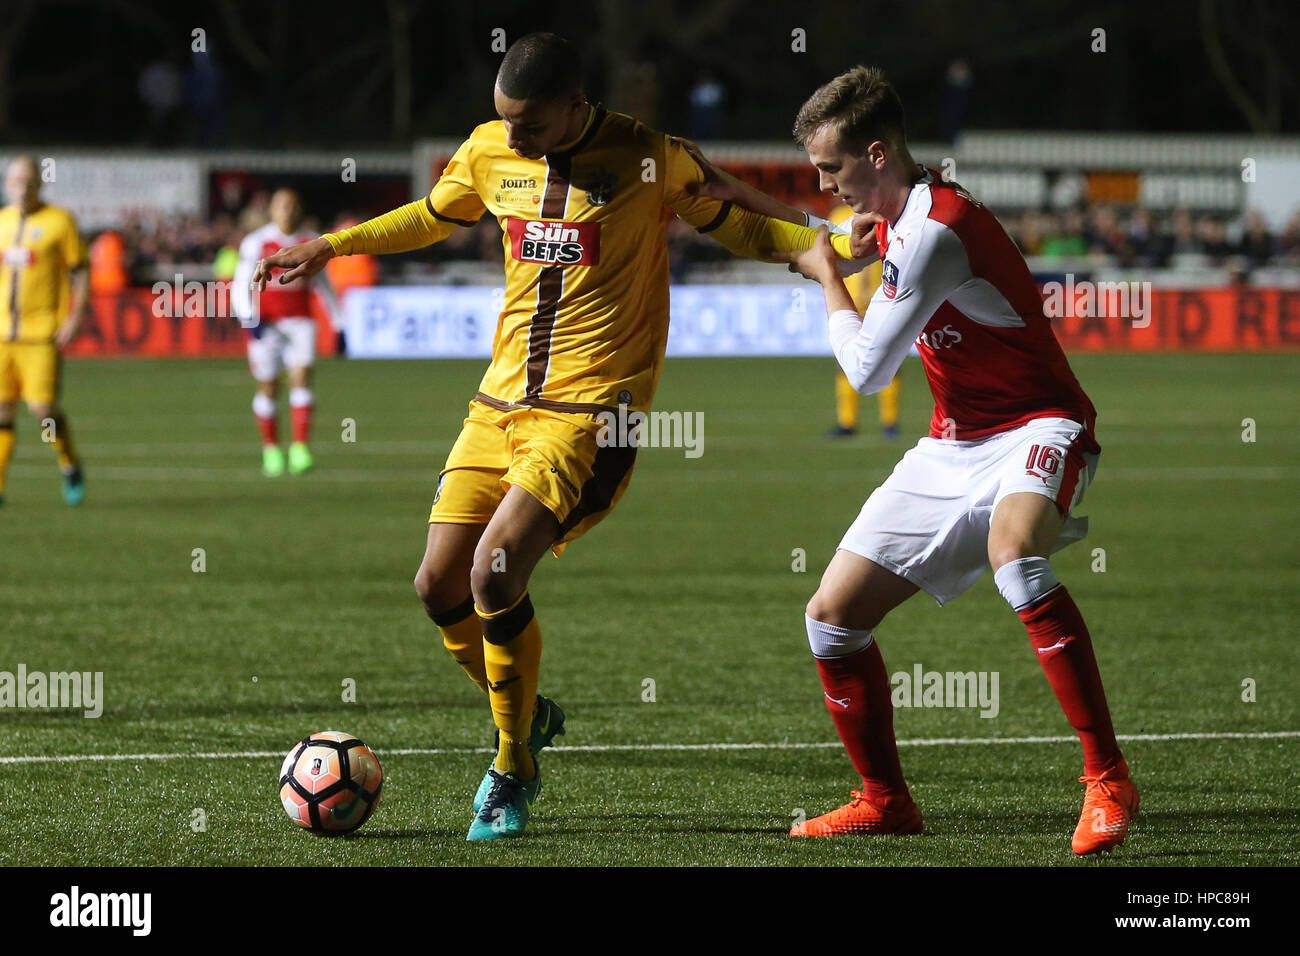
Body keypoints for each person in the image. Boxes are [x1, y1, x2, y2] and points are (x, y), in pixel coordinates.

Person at [251, 32, 855, 841]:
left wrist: (823, 250)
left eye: (529, 125)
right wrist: (333, 244)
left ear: (577, 106)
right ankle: (528, 711)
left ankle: (512, 765)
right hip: (496, 405)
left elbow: (736, 221)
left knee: (494, 575)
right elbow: (433, 216)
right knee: (438, 586)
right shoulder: (488, 152)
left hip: (590, 414)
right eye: (504, 121)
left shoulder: (645, 157)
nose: (513, 138)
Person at [781, 66, 1137, 855]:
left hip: (1039, 424)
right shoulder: (911, 217)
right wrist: (854, 249)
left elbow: (869, 369)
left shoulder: (937, 227)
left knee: (1016, 556)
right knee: (831, 621)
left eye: (832, 168)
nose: (823, 183)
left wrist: (827, 280)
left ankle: (1107, 777)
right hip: (954, 441)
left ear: (877, 153)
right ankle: (884, 801)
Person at [232, 188, 341, 477]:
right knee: (269, 386)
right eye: (282, 206)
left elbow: (324, 284)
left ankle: (300, 449)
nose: (288, 211)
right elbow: (241, 283)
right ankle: (271, 450)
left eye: (293, 206)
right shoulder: (257, 242)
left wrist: (339, 322)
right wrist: (248, 318)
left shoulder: (310, 241)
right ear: (271, 210)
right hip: (266, 324)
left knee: (302, 378)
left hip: (300, 321)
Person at [0, 156, 88, 507]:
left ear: (40, 184)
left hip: (41, 334)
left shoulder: (59, 222)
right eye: (16, 182)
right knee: (2, 410)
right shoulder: (1, 222)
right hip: (2, 335)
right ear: (7, 184)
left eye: (29, 183)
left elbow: (80, 270)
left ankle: (69, 463)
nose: (22, 189)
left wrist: (74, 317)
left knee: (42, 410)